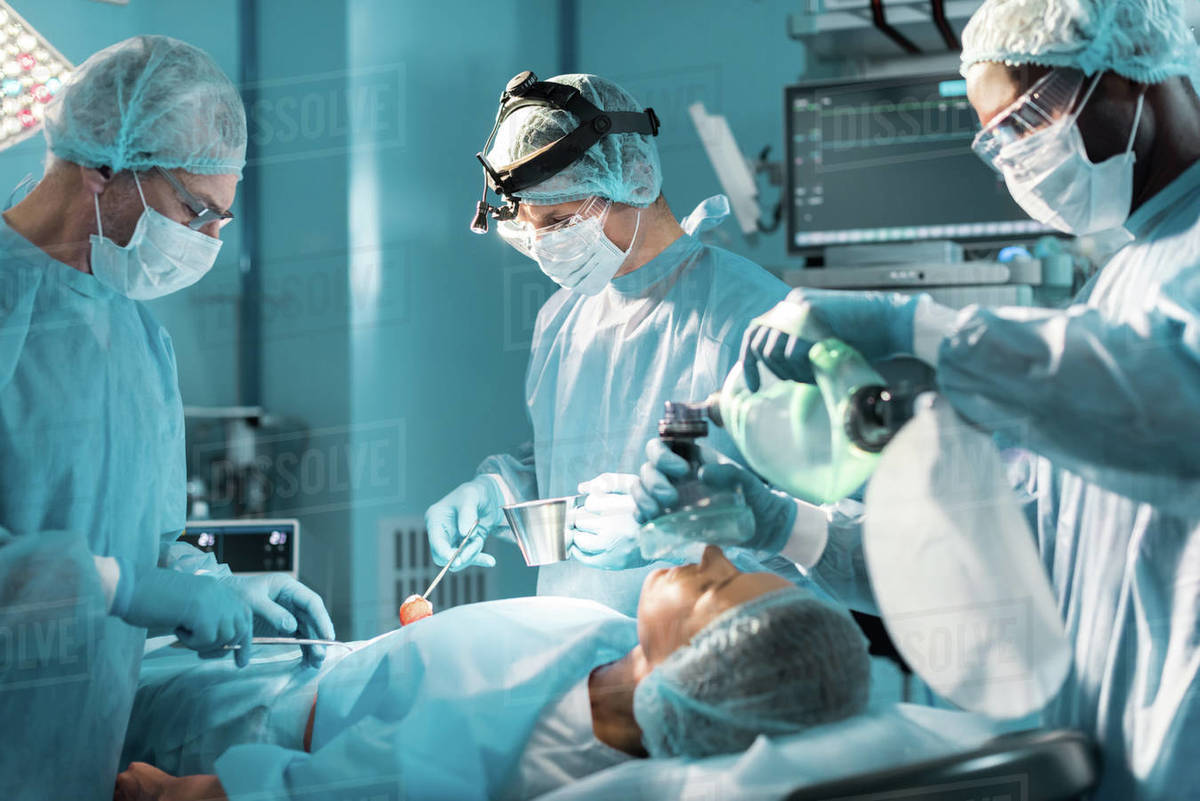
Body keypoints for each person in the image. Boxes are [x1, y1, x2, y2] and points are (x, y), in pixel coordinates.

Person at [637, 1, 1200, 799]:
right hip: (1118, 757)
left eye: (1031, 116)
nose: (1018, 159)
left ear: (1140, 67)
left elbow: (1171, 407)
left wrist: (918, 326)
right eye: (995, 139)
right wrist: (780, 523)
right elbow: (1011, 548)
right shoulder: (1117, 287)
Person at [0, 36, 333, 801]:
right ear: (105, 166)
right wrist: (116, 586)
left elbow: (141, 533)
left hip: (75, 756)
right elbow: (114, 572)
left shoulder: (139, 335)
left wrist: (207, 579)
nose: (209, 240)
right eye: (197, 210)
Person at [425, 72, 800, 616]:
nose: (545, 245)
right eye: (531, 228)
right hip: (586, 655)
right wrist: (498, 493)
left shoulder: (754, 316)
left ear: (637, 178)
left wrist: (678, 529)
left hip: (727, 656)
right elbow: (565, 459)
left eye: (559, 219)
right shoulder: (562, 320)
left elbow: (822, 520)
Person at [114, 545, 870, 801]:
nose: (710, 555)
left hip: (232, 735)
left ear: (692, 673)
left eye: (711, 588)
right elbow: (486, 668)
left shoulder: (536, 745)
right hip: (301, 678)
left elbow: (353, 790)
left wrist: (187, 790)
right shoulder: (612, 643)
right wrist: (426, 649)